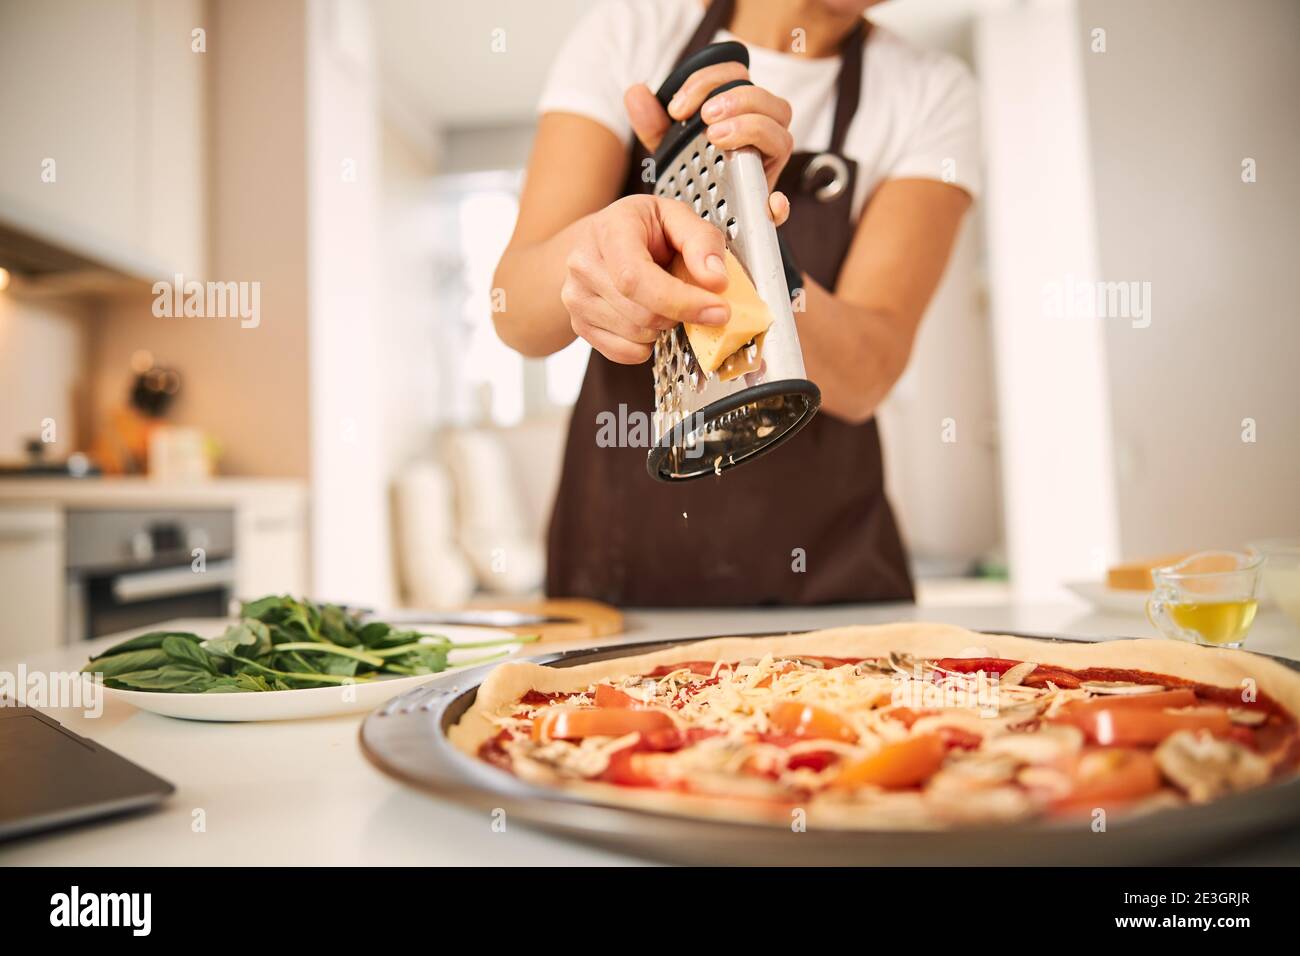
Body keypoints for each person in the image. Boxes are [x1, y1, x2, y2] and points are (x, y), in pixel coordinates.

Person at [493, 0, 978, 606]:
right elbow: (515, 315)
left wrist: (758, 244)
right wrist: (596, 252)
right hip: (622, 566)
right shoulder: (634, 29)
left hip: (827, 576)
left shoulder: (933, 92)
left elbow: (867, 374)